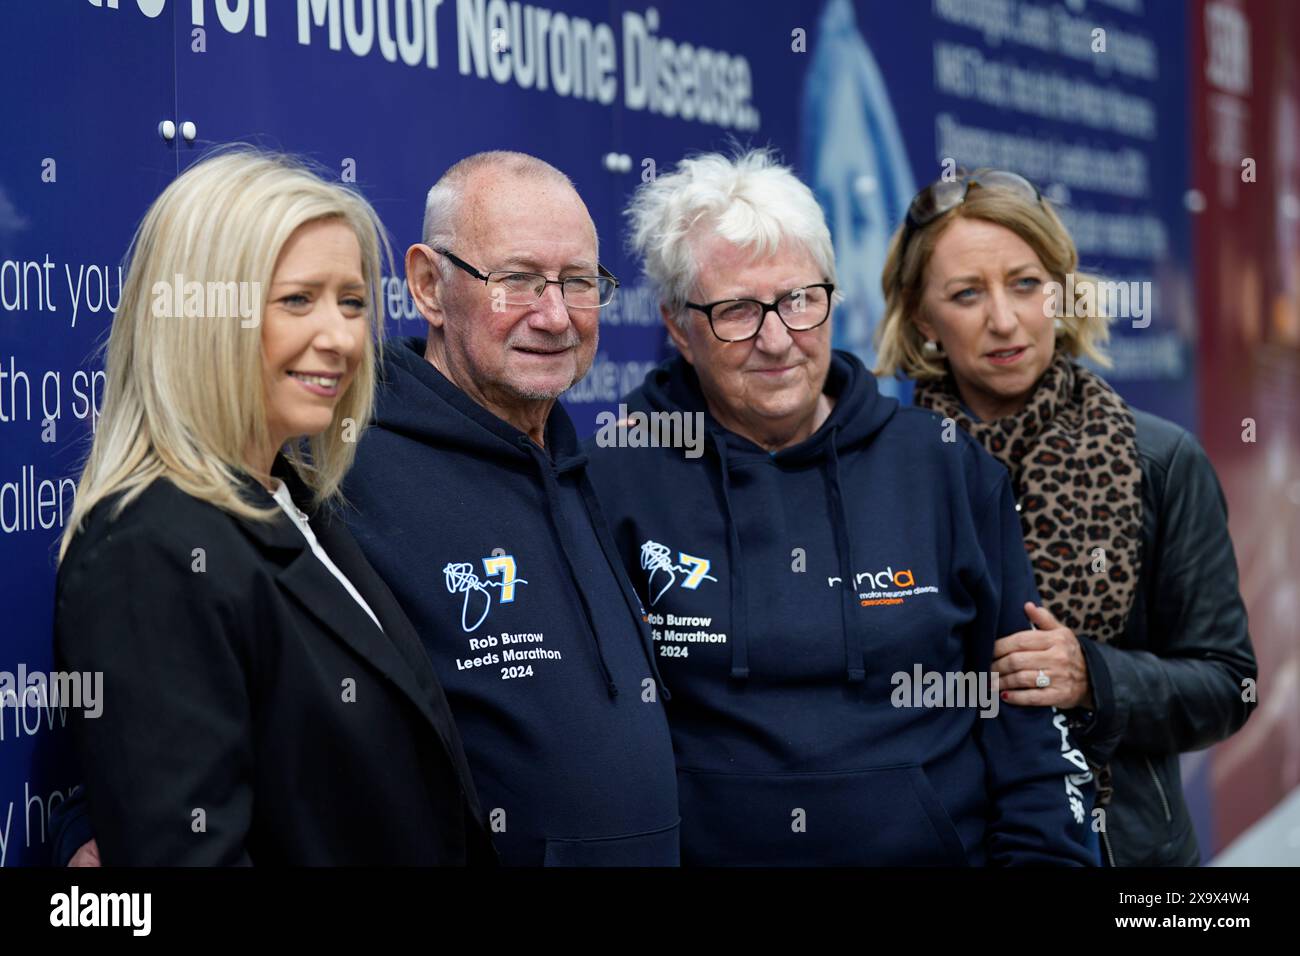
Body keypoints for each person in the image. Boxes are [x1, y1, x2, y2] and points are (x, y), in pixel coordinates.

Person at [585, 150, 1097, 866]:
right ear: (677, 326)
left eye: (799, 299)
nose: (776, 340)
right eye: (736, 310)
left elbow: (1026, 724)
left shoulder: (947, 468)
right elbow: (588, 743)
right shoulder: (611, 481)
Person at [52, 149, 493, 865]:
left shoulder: (296, 502)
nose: (342, 338)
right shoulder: (148, 550)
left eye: (351, 302)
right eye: (297, 300)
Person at [874, 167, 1258, 866]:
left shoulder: (1159, 461)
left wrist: (1094, 678)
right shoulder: (882, 470)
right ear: (924, 319)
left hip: (1127, 853)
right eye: (966, 294)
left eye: (1025, 284)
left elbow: (1228, 684)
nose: (1003, 319)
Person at [336, 151, 680, 866]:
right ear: (429, 286)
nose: (555, 317)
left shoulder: (572, 456)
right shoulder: (346, 471)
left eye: (579, 282)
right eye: (518, 280)